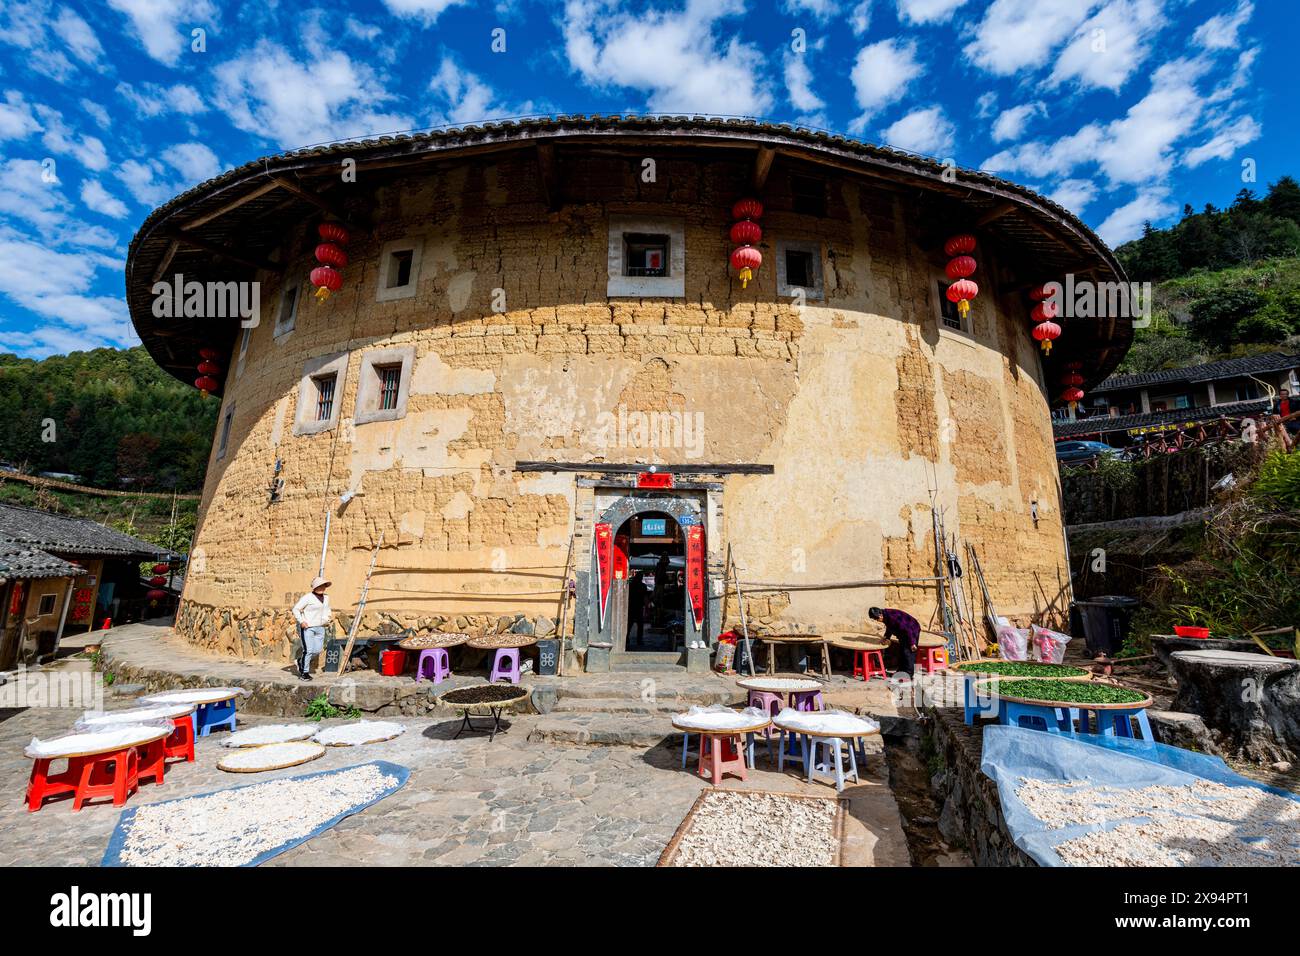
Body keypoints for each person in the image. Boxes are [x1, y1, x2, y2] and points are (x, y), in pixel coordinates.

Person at [292, 576, 332, 681]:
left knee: (317, 650)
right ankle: (304, 673)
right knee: (308, 650)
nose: (322, 587)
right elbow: (296, 609)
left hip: (320, 627)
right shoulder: (308, 597)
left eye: (323, 585)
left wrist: (327, 619)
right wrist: (301, 621)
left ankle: (300, 661)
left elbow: (327, 609)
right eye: (320, 585)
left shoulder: (326, 597)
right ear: (315, 587)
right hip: (308, 628)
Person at [869, 606, 921, 677]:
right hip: (903, 633)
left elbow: (907, 629)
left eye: (877, 618)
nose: (877, 620)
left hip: (912, 630)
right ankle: (901, 672)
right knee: (902, 652)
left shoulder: (892, 617)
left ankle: (909, 675)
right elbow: (890, 627)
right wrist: (886, 637)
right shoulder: (886, 616)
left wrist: (912, 643)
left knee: (908, 653)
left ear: (880, 615)